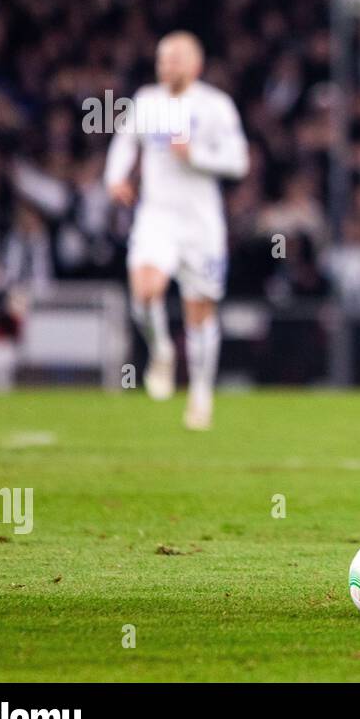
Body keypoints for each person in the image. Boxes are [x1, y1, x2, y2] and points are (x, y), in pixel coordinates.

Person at [105, 31, 249, 429]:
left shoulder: (216, 106)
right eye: (162, 58)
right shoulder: (146, 102)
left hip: (201, 223)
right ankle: (162, 350)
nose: (167, 65)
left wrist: (196, 155)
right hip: (157, 215)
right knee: (145, 289)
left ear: (196, 65)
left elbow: (238, 162)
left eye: (176, 59)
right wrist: (116, 178)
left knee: (199, 311)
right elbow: (124, 143)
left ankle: (201, 391)